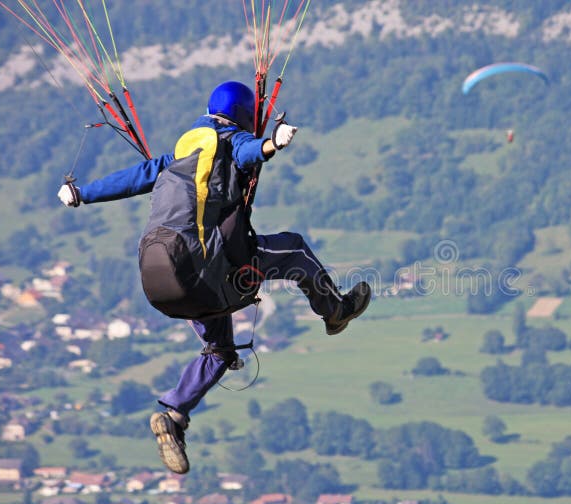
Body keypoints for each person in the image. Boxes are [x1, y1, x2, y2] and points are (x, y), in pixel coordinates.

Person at [57, 80, 371, 474]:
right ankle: (335, 310)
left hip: (162, 281)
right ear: (241, 118)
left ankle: (172, 415)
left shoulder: (178, 155)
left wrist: (82, 192)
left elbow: (134, 177)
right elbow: (249, 149)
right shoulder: (230, 141)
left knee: (220, 352)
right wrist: (273, 144)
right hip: (204, 277)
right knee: (293, 248)